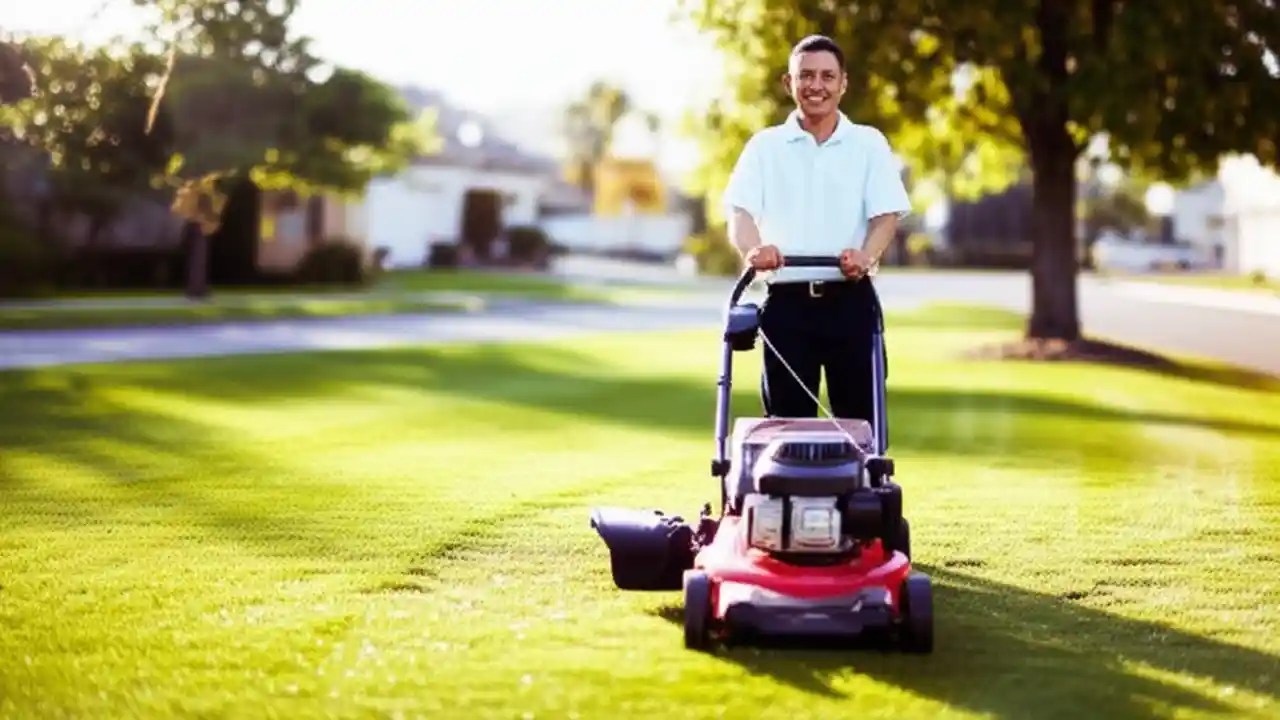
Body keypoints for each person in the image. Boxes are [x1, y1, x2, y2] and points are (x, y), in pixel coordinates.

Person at [722, 34, 912, 423]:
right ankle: (788, 485)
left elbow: (885, 216)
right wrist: (754, 251)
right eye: (806, 76)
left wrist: (866, 256)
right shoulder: (765, 146)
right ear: (788, 83)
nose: (816, 86)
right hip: (787, 305)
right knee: (788, 421)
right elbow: (740, 213)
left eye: (827, 76)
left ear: (843, 83)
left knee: (861, 421)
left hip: (852, 302)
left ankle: (859, 483)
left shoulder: (868, 144)